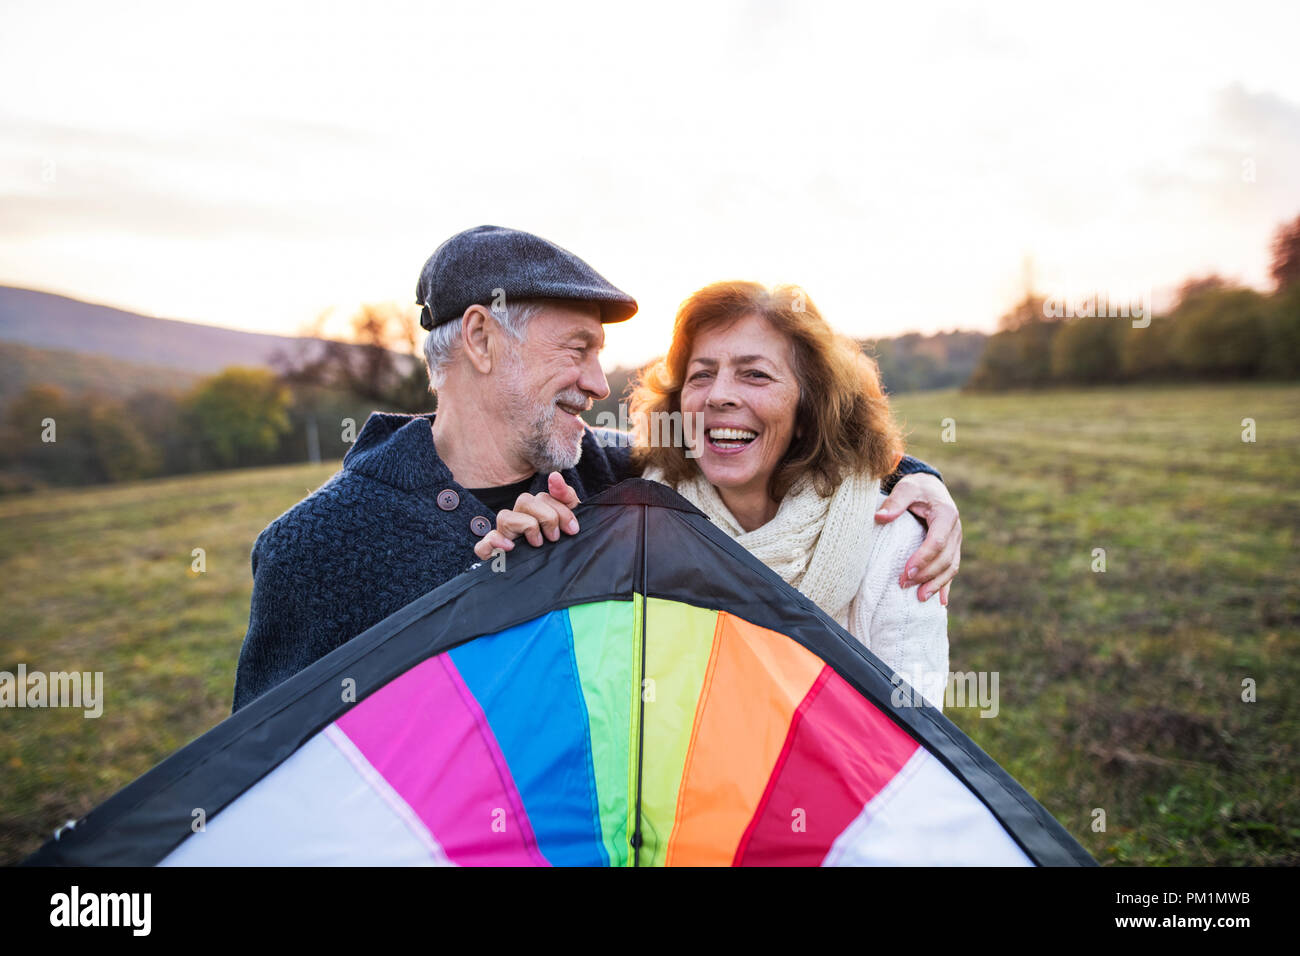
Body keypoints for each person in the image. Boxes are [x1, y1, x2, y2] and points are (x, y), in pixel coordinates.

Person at [233, 226, 959, 712]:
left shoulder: (616, 480)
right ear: (482, 338)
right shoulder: (320, 547)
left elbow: (766, 453)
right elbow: (271, 785)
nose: (596, 381)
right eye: (577, 349)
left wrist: (913, 481)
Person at [475, 280, 950, 707]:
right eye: (701, 375)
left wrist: (927, 480)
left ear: (809, 407)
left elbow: (914, 752)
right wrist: (519, 579)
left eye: (755, 374)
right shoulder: (635, 526)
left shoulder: (897, 543)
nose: (719, 395)